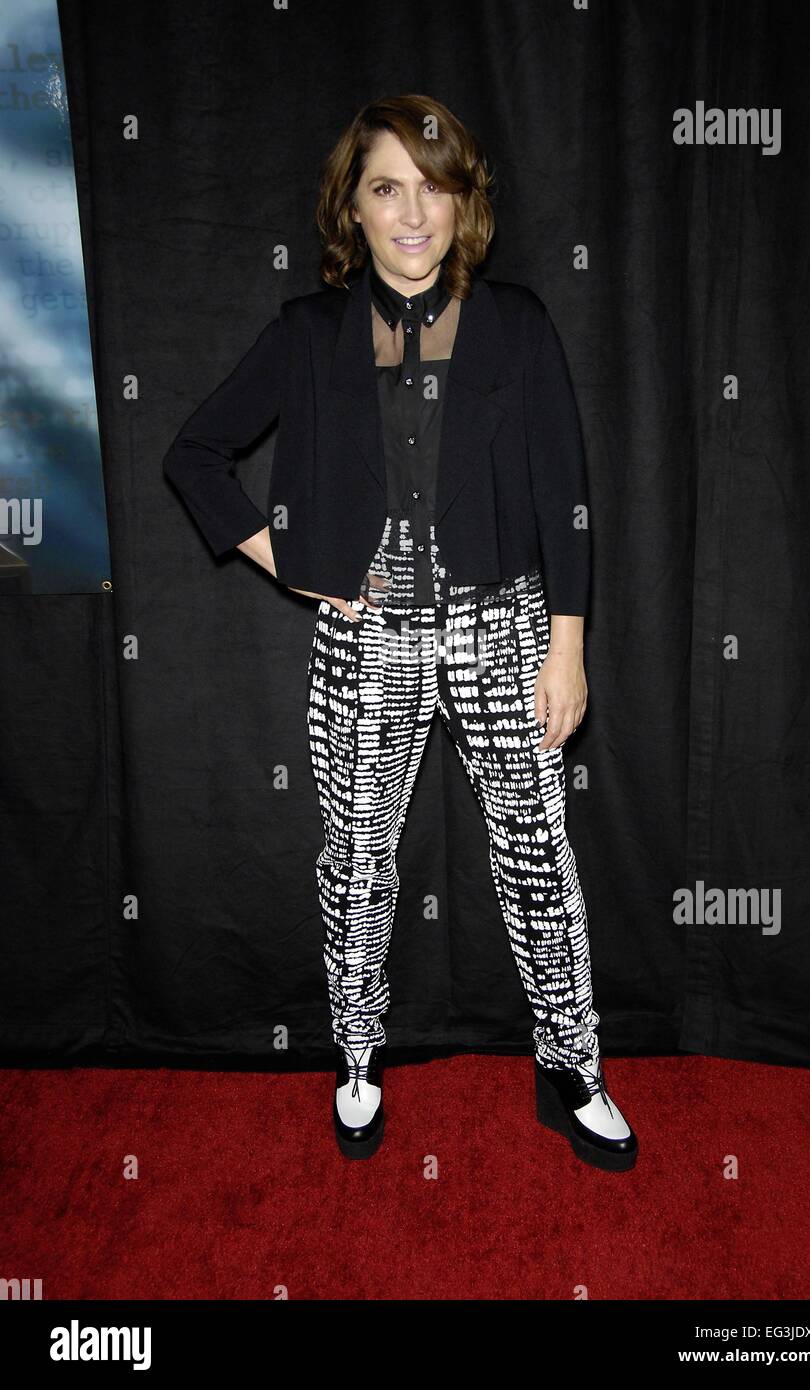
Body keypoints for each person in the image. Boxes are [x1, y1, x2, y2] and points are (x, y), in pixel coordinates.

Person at [163, 94, 638, 1172]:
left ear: (461, 202)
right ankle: (359, 1058)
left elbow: (563, 491)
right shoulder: (307, 334)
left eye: (432, 187)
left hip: (503, 626)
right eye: (386, 187)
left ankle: (571, 1072)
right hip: (365, 645)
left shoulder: (515, 322)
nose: (411, 212)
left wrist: (565, 645)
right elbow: (194, 454)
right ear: (354, 207)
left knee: (536, 863)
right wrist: (300, 569)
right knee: (357, 860)